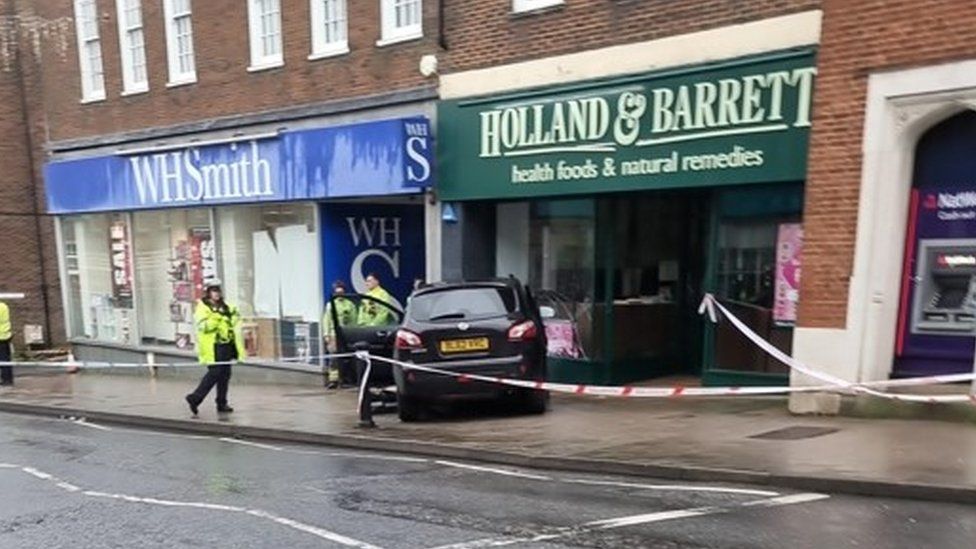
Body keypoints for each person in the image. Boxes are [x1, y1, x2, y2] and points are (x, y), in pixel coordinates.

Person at [185, 280, 244, 415]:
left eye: (218, 291)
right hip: (214, 346)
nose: (216, 294)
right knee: (215, 373)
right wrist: (217, 318)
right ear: (208, 293)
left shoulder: (225, 306)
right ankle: (195, 398)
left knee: (225, 375)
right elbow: (203, 326)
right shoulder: (203, 307)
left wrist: (231, 317)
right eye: (213, 291)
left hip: (226, 344)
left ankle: (222, 403)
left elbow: (233, 320)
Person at [323, 280, 357, 388]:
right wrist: (326, 334)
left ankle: (345, 379)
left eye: (341, 293)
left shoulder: (350, 305)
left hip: (346, 335)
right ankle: (333, 379)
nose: (340, 295)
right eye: (337, 293)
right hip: (333, 334)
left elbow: (353, 321)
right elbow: (326, 320)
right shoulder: (330, 305)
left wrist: (353, 335)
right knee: (334, 358)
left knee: (347, 357)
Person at [0, 301, 12, 386]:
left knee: (3, 359)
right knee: (5, 359)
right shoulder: (4, 306)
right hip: (5, 335)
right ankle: (7, 379)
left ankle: (6, 379)